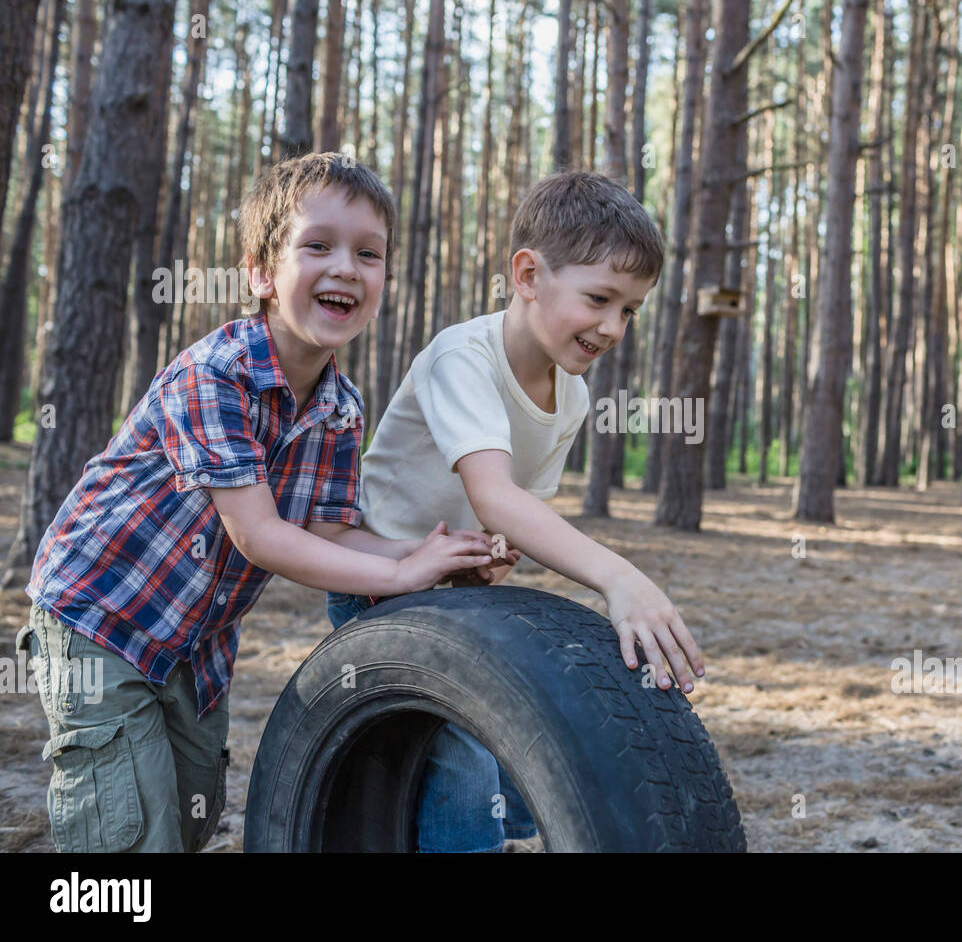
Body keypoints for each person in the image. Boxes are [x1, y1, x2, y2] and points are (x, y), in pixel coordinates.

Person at [19, 152, 495, 852]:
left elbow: (327, 535)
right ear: (261, 273)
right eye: (318, 245)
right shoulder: (216, 375)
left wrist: (428, 554)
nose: (345, 268)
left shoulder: (341, 408)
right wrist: (398, 577)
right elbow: (260, 535)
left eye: (369, 254)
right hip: (100, 618)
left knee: (190, 816)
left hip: (192, 643)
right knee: (125, 833)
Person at [327, 169, 706, 853]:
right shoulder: (462, 358)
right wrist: (617, 576)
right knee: (464, 773)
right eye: (599, 298)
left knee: (521, 764)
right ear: (528, 274)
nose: (613, 327)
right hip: (380, 578)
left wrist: (496, 556)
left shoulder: (574, 396)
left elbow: (516, 512)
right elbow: (491, 493)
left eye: (630, 310)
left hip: (452, 589)